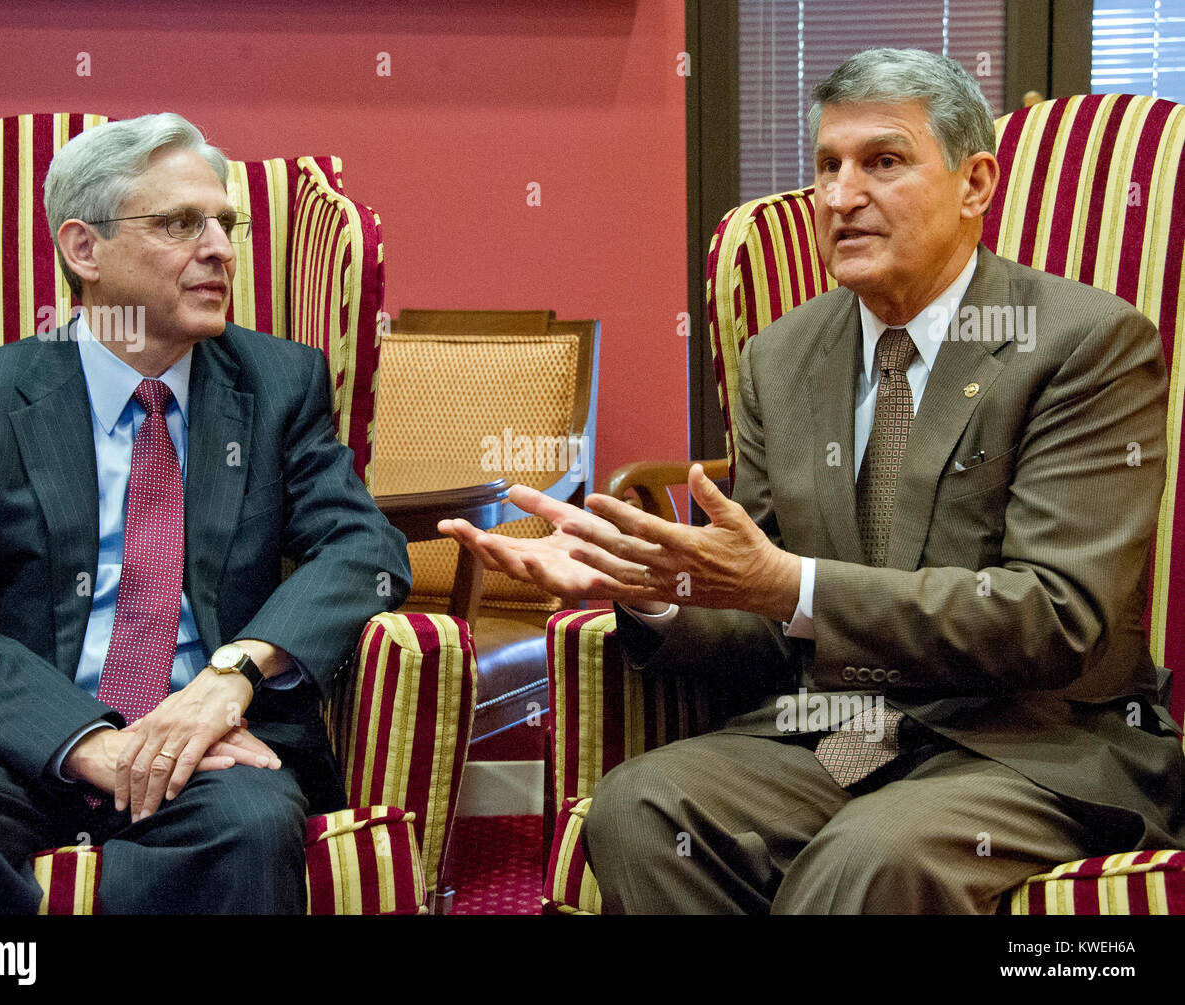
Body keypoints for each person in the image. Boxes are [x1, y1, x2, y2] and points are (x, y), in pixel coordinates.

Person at [440, 49, 1185, 913]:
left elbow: (1056, 617)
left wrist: (795, 583)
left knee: (868, 857)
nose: (838, 196)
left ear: (974, 183)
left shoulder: (1082, 343)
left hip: (1028, 737)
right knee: (642, 807)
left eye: (883, 162)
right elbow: (764, 624)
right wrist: (655, 589)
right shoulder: (782, 359)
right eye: (827, 166)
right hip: (856, 735)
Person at [0, 113, 410, 914]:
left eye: (224, 223)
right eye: (178, 223)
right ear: (83, 249)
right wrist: (89, 740)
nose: (221, 248)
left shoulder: (279, 385)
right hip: (8, 739)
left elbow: (362, 545)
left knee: (251, 824)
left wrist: (232, 673)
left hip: (206, 742)